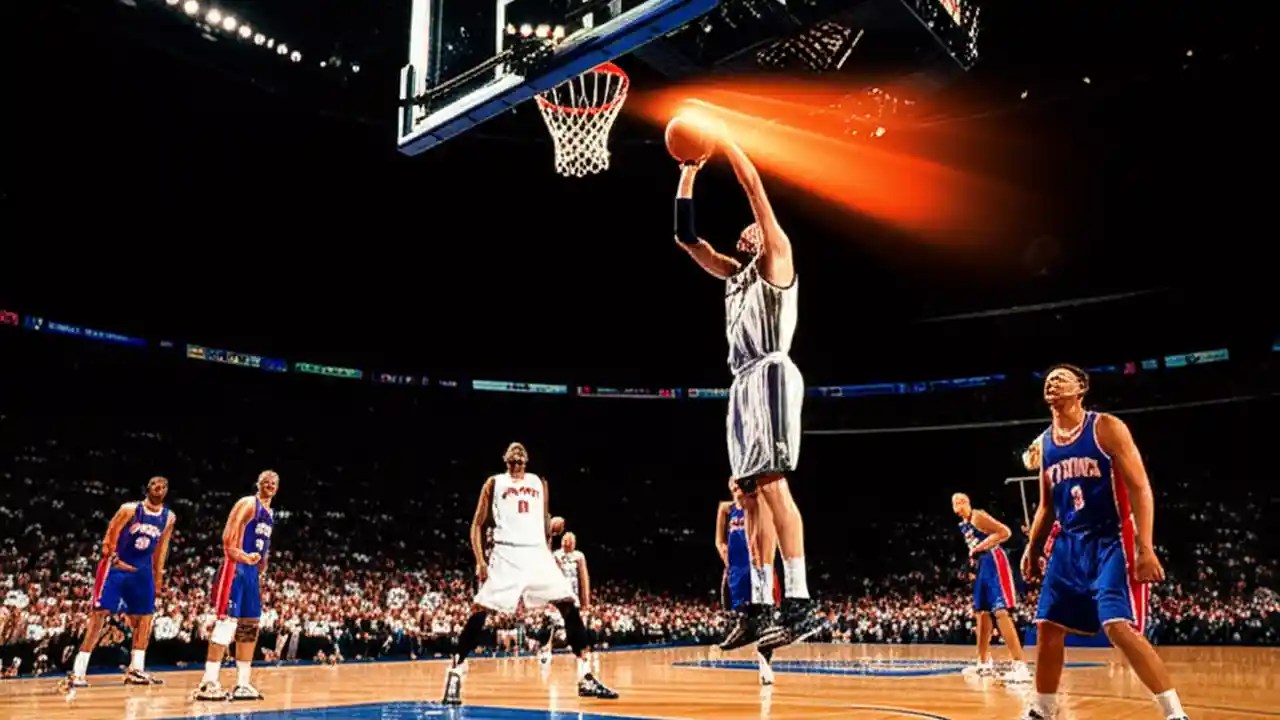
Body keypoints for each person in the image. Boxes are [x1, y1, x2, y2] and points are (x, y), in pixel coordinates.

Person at [673, 133, 819, 652]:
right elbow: (686, 239)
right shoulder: (734, 276)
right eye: (747, 227)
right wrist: (689, 169)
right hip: (741, 383)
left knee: (775, 485)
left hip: (772, 371)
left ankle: (799, 601)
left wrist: (726, 139)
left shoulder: (779, 256)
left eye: (756, 224)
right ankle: (758, 606)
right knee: (749, 494)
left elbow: (753, 186)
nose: (750, 226)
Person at [1020, 365, 1189, 720]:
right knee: (1047, 625)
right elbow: (1047, 506)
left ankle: (1175, 713)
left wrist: (1146, 547)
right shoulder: (1046, 443)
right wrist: (1032, 549)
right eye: (1048, 379)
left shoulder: (1106, 427)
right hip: (1068, 543)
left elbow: (1140, 487)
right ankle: (1043, 708)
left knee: (1118, 627)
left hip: (1109, 537)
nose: (1052, 382)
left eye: (1061, 378)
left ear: (1081, 388)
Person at [442, 442, 616, 705]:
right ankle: (455, 673)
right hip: (507, 553)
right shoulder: (494, 482)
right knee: (480, 609)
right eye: (512, 452)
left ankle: (585, 675)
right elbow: (477, 524)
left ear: (527, 460)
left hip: (536, 553)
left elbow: (543, 523)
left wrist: (551, 527)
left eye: (521, 453)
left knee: (568, 605)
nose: (517, 452)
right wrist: (480, 560)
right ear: (505, 459)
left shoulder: (538, 482)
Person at [60, 476, 175, 691]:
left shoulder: (168, 517)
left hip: (143, 572)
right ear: (147, 488)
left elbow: (161, 548)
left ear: (166, 491)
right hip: (118, 568)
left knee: (145, 617)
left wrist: (158, 577)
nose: (159, 488)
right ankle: (78, 671)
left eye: (163, 486)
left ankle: (136, 669)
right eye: (154, 485)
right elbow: (110, 535)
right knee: (99, 615)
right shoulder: (130, 509)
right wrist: (111, 557)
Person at [193, 470, 278, 702]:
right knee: (226, 624)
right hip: (235, 568)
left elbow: (264, 544)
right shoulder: (248, 503)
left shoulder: (270, 514)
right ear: (258, 484)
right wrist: (241, 555)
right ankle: (208, 682)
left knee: (249, 626)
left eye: (274, 483)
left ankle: (242, 683)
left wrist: (262, 564)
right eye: (266, 481)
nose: (270, 485)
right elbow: (228, 537)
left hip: (251, 573)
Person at [951, 492, 1030, 683]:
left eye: (961, 501)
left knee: (1000, 611)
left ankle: (1020, 665)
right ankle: (983, 662)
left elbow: (1005, 532)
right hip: (982, 565)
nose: (958, 505)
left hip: (994, 560)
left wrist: (980, 547)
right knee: (982, 613)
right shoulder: (964, 524)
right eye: (954, 503)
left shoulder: (977, 516)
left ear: (968, 502)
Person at [716, 478, 776, 685]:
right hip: (737, 568)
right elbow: (719, 541)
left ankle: (765, 664)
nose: (735, 485)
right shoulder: (726, 509)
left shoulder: (759, 505)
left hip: (758, 565)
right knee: (745, 616)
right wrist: (726, 558)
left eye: (739, 482)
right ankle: (743, 633)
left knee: (765, 619)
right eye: (733, 481)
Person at [537, 531, 593, 665]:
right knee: (557, 624)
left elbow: (584, 578)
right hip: (560, 594)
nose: (569, 544)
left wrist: (586, 601)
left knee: (574, 624)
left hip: (573, 595)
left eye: (571, 541)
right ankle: (549, 648)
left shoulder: (579, 556)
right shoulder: (556, 555)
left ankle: (579, 650)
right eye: (566, 541)